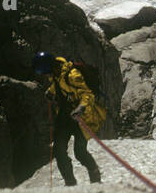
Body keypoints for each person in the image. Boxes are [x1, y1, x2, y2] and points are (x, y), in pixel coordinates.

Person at [32, 51, 105, 186]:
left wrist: (81, 108)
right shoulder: (56, 74)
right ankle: (70, 182)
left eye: (45, 73)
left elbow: (87, 94)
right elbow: (59, 86)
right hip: (65, 117)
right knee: (59, 150)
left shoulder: (72, 75)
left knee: (80, 152)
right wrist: (51, 92)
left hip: (79, 118)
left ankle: (94, 174)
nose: (45, 76)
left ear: (49, 68)